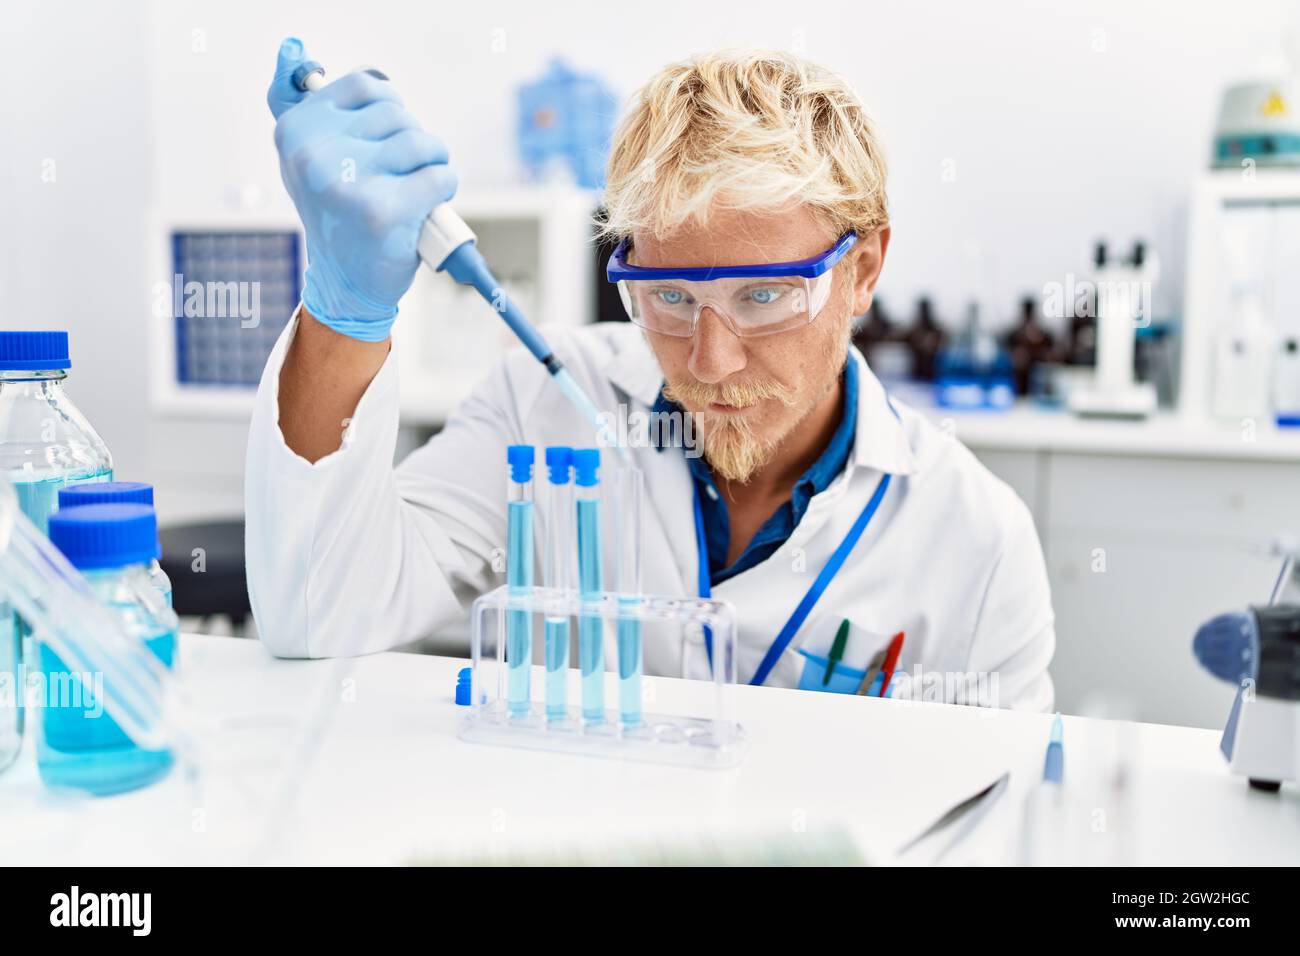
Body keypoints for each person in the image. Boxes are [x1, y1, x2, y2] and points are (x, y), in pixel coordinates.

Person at [247, 38, 1055, 710]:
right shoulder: (542, 404)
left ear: (865, 268)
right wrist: (344, 312)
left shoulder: (977, 540)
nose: (709, 361)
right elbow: (318, 613)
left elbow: (996, 823)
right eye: (667, 294)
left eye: (766, 294)